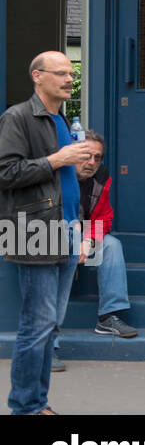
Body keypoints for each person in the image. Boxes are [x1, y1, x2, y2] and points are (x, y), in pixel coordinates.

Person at [0, 51, 93, 415]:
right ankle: (25, 408)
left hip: (67, 228)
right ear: (37, 76)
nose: (70, 79)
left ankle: (39, 404)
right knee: (37, 325)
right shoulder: (17, 117)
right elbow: (6, 173)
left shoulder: (62, 119)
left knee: (50, 326)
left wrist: (76, 169)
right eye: (61, 73)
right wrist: (58, 160)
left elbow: (56, 175)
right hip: (33, 229)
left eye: (71, 73)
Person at [51, 130, 137, 365]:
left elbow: (104, 218)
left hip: (82, 239)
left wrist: (87, 241)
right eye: (86, 155)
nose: (91, 162)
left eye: (97, 158)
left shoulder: (101, 178)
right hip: (50, 236)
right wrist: (74, 238)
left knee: (111, 245)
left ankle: (108, 316)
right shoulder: (57, 174)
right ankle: (48, 346)